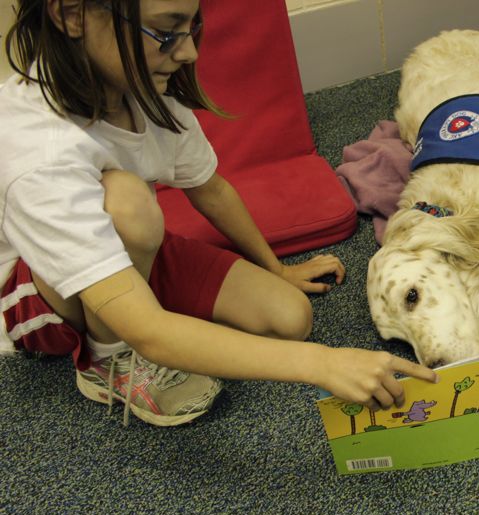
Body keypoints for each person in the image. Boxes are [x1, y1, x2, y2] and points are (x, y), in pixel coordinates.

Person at [0, 0, 437, 426]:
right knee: (128, 201)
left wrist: (275, 269)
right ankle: (105, 359)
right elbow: (150, 331)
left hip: (127, 241)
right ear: (72, 14)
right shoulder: (42, 156)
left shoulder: (144, 89)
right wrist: (323, 364)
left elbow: (210, 190)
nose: (189, 51)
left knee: (290, 318)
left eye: (191, 29)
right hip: (36, 292)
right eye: (167, 31)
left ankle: (141, 303)